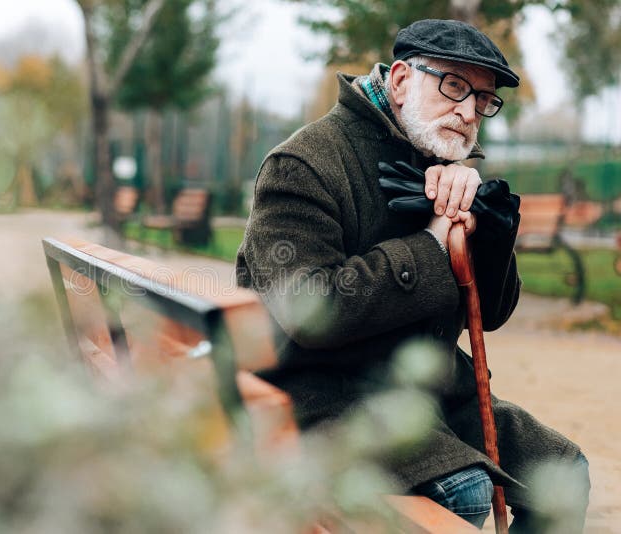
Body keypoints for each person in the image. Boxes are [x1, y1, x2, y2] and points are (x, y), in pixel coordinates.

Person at [236, 19, 590, 531]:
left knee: (564, 472)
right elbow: (308, 312)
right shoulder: (304, 164)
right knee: (463, 493)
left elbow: (489, 315)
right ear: (401, 81)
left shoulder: (441, 161)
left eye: (483, 100)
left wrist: (482, 231)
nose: (468, 111)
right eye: (453, 86)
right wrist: (430, 244)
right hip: (327, 399)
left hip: (434, 398)